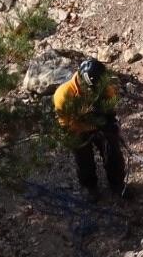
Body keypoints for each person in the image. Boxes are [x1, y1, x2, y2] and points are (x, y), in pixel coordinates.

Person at [53, 58, 127, 200]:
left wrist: (109, 123)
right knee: (84, 159)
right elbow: (66, 124)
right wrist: (88, 124)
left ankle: (117, 184)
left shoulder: (103, 86)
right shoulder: (63, 96)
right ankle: (90, 187)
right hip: (77, 129)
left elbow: (110, 108)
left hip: (100, 123)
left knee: (113, 153)